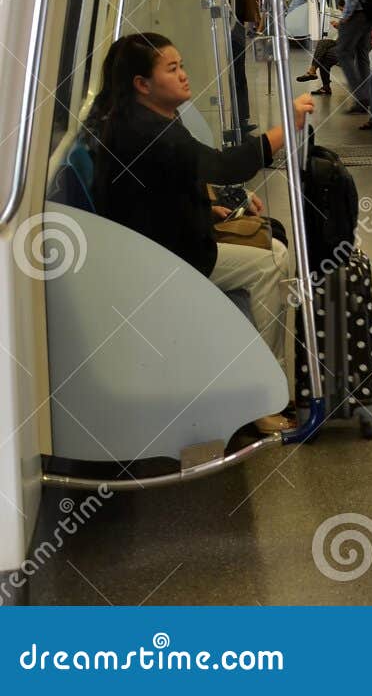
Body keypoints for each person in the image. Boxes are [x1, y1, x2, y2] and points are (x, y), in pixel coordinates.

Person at [85, 32, 316, 434]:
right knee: (273, 262)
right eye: (172, 70)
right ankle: (262, 397)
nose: (184, 76)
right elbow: (225, 166)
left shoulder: (139, 120)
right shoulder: (153, 133)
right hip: (164, 261)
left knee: (270, 245)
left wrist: (206, 207)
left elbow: (160, 188)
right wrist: (288, 126)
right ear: (142, 84)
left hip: (151, 243)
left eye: (182, 66)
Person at [228, 0, 261, 134]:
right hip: (239, 29)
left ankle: (235, 119)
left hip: (229, 30)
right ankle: (241, 118)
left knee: (232, 76)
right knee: (239, 76)